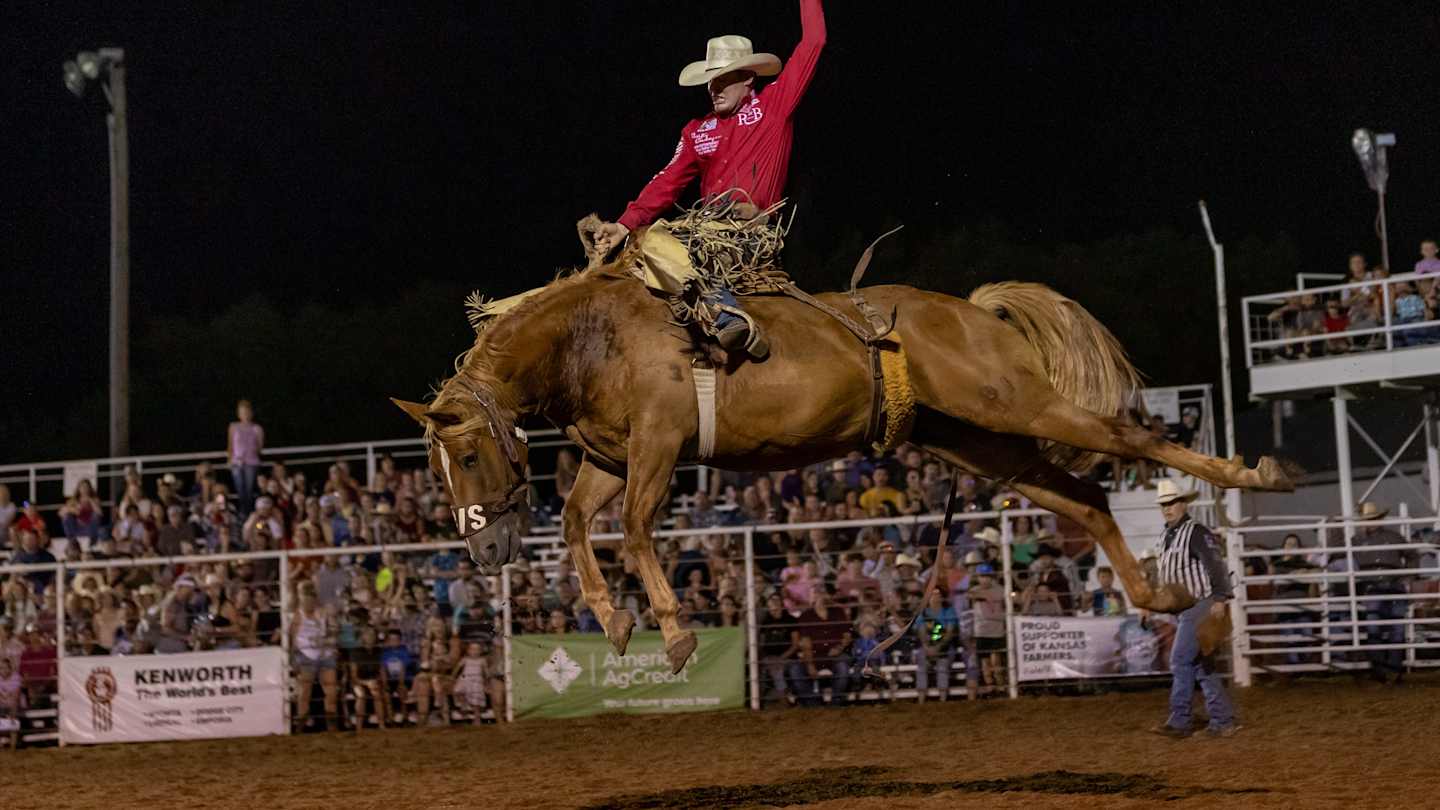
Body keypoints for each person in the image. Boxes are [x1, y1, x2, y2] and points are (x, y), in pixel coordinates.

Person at [591, 0, 827, 358]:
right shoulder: (697, 131)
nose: (714, 88)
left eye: (724, 78)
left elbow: (814, 42)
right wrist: (624, 225)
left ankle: (726, 313)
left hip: (749, 234)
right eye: (710, 80)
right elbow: (668, 180)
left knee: (664, 242)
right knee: (644, 248)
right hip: (703, 229)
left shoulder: (774, 106)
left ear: (748, 78)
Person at [1149, 479, 1238, 738]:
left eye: (1172, 502)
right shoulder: (1166, 537)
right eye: (1164, 504)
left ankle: (1180, 721)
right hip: (1188, 608)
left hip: (1201, 604)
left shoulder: (1196, 531)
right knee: (1201, 666)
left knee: (1180, 660)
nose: (1167, 508)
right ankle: (1223, 720)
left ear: (1183, 504)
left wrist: (1220, 598)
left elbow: (1215, 564)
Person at [290, 582, 339, 731]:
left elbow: (334, 630)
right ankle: (301, 724)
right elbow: (293, 639)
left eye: (311, 598)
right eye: (306, 599)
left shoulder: (323, 613)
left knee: (331, 690)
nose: (309, 602)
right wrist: (294, 658)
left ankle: (331, 724)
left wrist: (328, 641)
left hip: (325, 654)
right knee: (305, 691)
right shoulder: (298, 615)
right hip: (306, 655)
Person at [227, 399, 265, 515]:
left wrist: (250, 453)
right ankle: (243, 512)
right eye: (242, 412)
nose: (245, 414)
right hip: (236, 462)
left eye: (247, 412)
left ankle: (248, 513)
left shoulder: (257, 428)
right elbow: (230, 445)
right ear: (239, 414)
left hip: (251, 462)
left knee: (249, 490)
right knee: (240, 490)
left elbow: (260, 446)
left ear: (251, 413)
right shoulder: (233, 427)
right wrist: (230, 459)